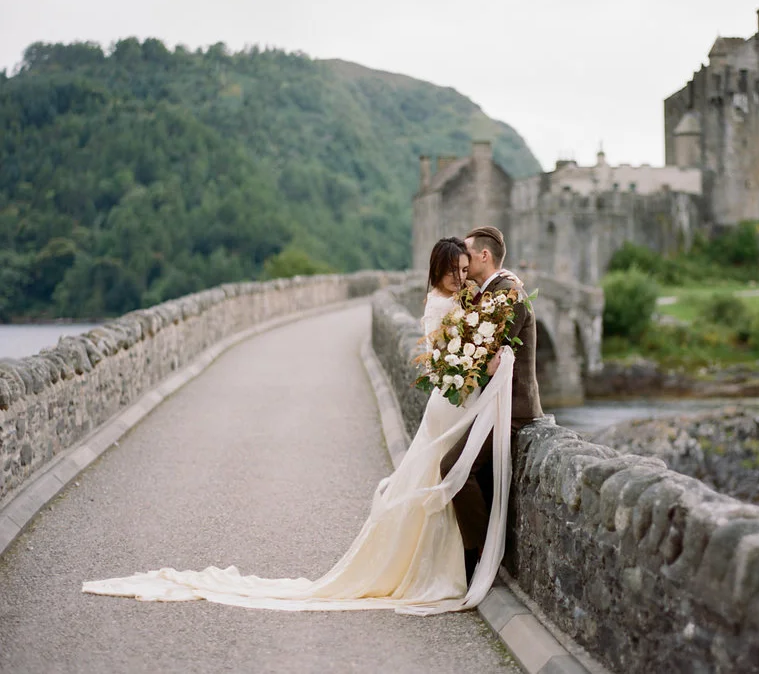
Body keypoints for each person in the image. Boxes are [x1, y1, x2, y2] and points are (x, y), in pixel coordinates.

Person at [81, 236, 516, 615]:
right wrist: (480, 357)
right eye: (453, 271)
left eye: (464, 270)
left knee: (441, 474)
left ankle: (451, 558)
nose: (461, 278)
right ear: (437, 271)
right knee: (437, 474)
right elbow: (449, 355)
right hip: (449, 402)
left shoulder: (461, 298)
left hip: (455, 400)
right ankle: (440, 564)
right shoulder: (441, 304)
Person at [441, 226, 543, 583]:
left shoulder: (508, 293)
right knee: (469, 472)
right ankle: (472, 558)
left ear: (485, 256)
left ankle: (485, 559)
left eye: (468, 253)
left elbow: (487, 353)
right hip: (492, 405)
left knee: (453, 468)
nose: (463, 260)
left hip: (513, 409)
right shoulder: (490, 291)